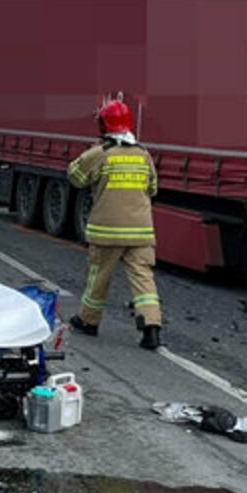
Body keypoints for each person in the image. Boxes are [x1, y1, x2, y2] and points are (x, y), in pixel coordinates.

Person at [67, 98, 162, 349]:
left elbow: (75, 177)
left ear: (104, 125)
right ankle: (151, 327)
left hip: (107, 232)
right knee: (144, 281)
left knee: (99, 277)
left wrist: (90, 155)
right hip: (141, 232)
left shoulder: (101, 153)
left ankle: (88, 321)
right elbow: (153, 188)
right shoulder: (144, 154)